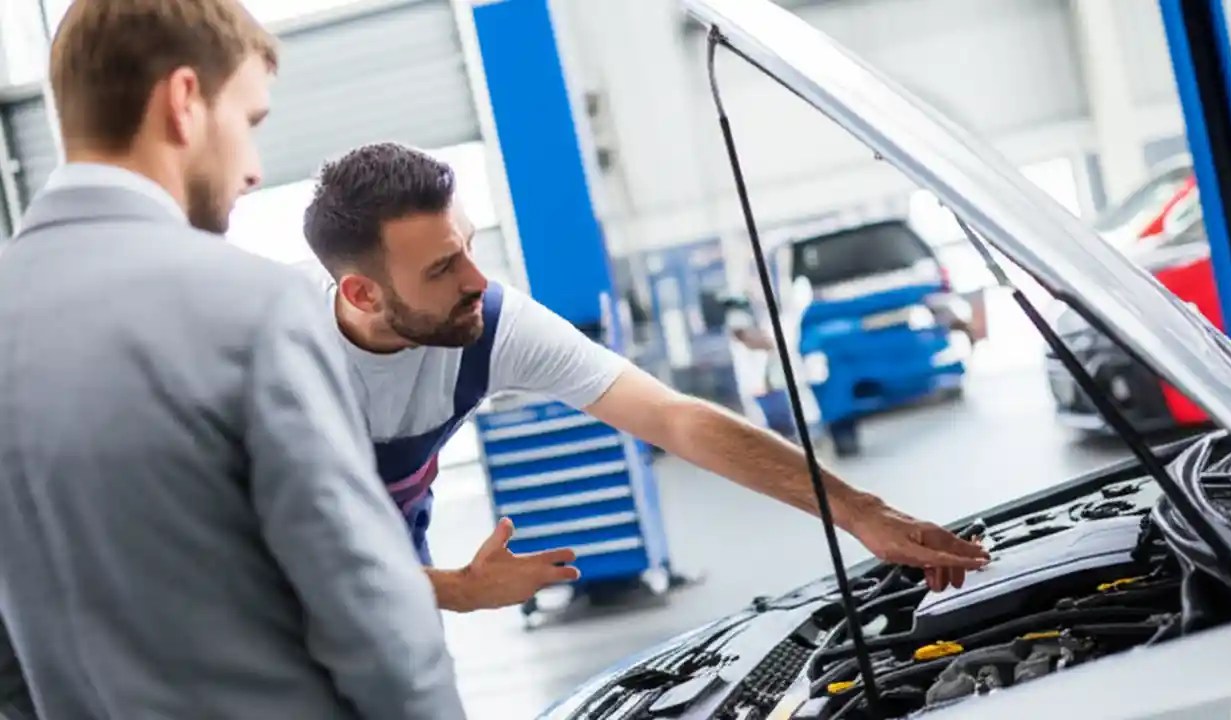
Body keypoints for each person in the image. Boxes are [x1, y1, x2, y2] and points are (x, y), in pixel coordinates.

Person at [0, 3, 464, 718]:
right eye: (249, 123)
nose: (251, 171)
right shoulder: (250, 308)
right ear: (184, 102)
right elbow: (375, 622)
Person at [298, 142, 991, 614]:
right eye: (443, 267)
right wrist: (460, 590)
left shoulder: (489, 320)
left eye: (471, 247)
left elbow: (671, 417)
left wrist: (859, 511)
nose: (477, 279)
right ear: (361, 294)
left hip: (392, 588)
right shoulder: (278, 372)